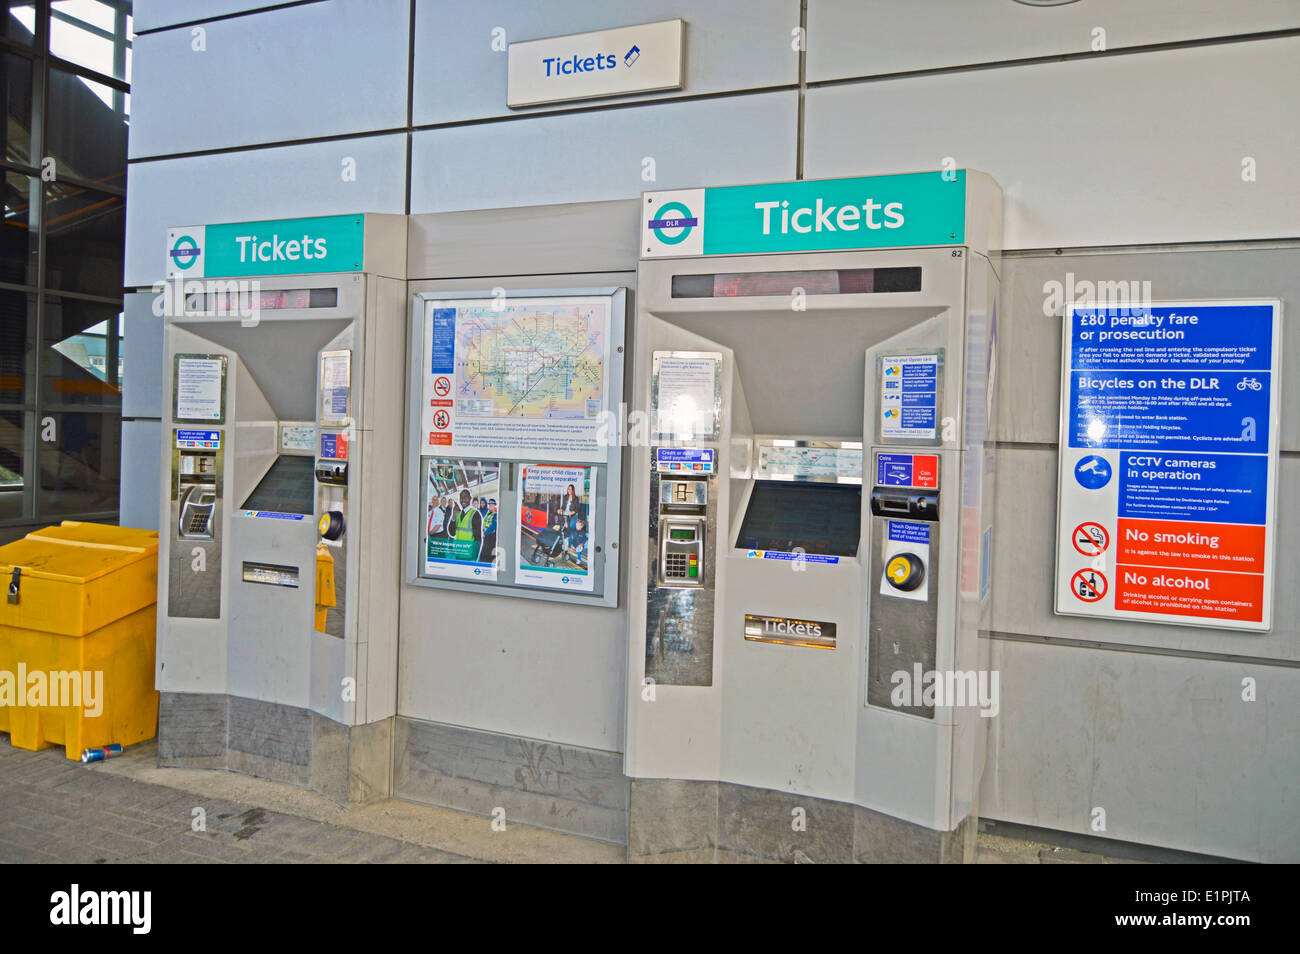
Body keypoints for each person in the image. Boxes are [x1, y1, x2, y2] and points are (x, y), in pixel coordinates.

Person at [452, 488, 482, 561]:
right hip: (458, 554)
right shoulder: (458, 514)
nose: (463, 500)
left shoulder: (475, 514)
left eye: (465, 497)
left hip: (469, 556)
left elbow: (478, 539)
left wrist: (475, 557)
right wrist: (453, 516)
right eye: (461, 497)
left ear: (470, 498)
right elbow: (452, 533)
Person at [479, 498, 498, 563]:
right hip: (485, 536)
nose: (490, 506)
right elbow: (484, 524)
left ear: (494, 505)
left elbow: (493, 525)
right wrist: (482, 531)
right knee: (484, 552)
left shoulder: (495, 514)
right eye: (489, 505)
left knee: (488, 553)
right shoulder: (488, 514)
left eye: (492, 505)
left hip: (491, 536)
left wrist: (485, 533)